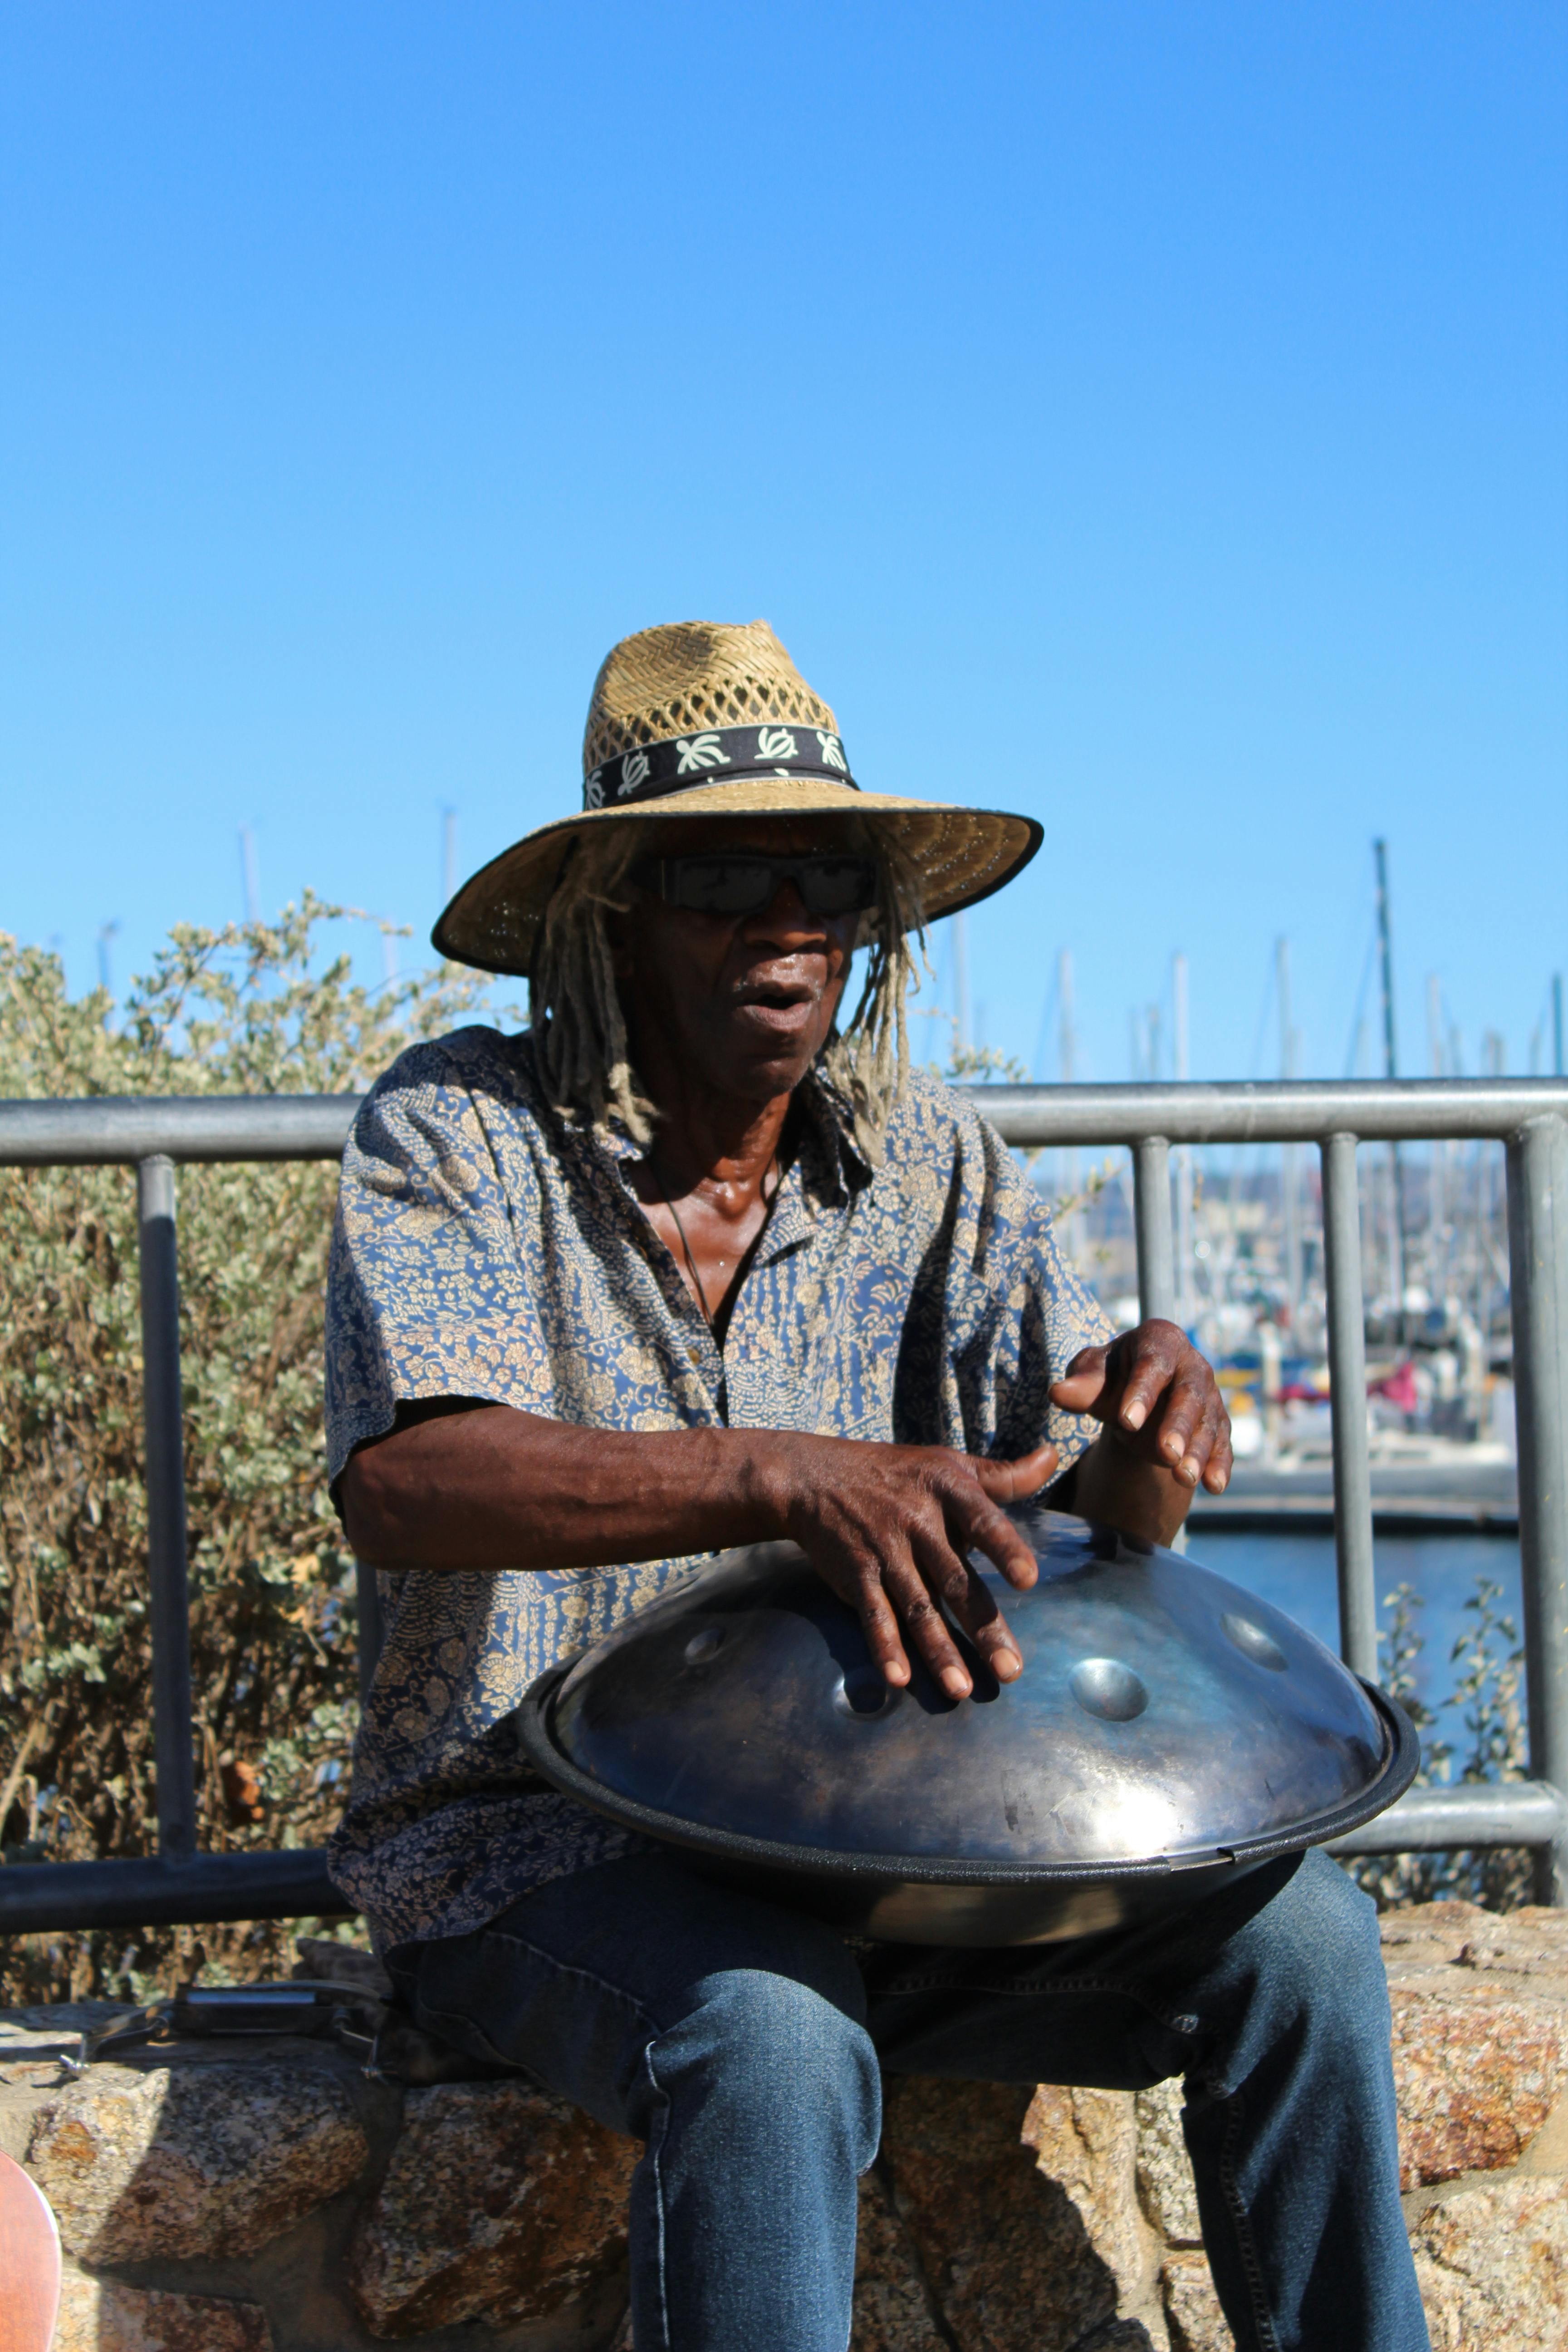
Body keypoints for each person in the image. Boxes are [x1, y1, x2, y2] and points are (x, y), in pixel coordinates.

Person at [327, 621, 1428, 2352]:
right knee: (767, 2036)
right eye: (722, 879)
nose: (786, 923)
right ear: (609, 914)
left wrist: (1148, 1445)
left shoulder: (934, 1162)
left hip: (891, 1856)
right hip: (527, 1850)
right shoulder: (462, 1130)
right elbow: (409, 1479)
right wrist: (783, 1478)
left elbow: (1087, 1521)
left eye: (823, 877)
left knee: (1309, 1949)